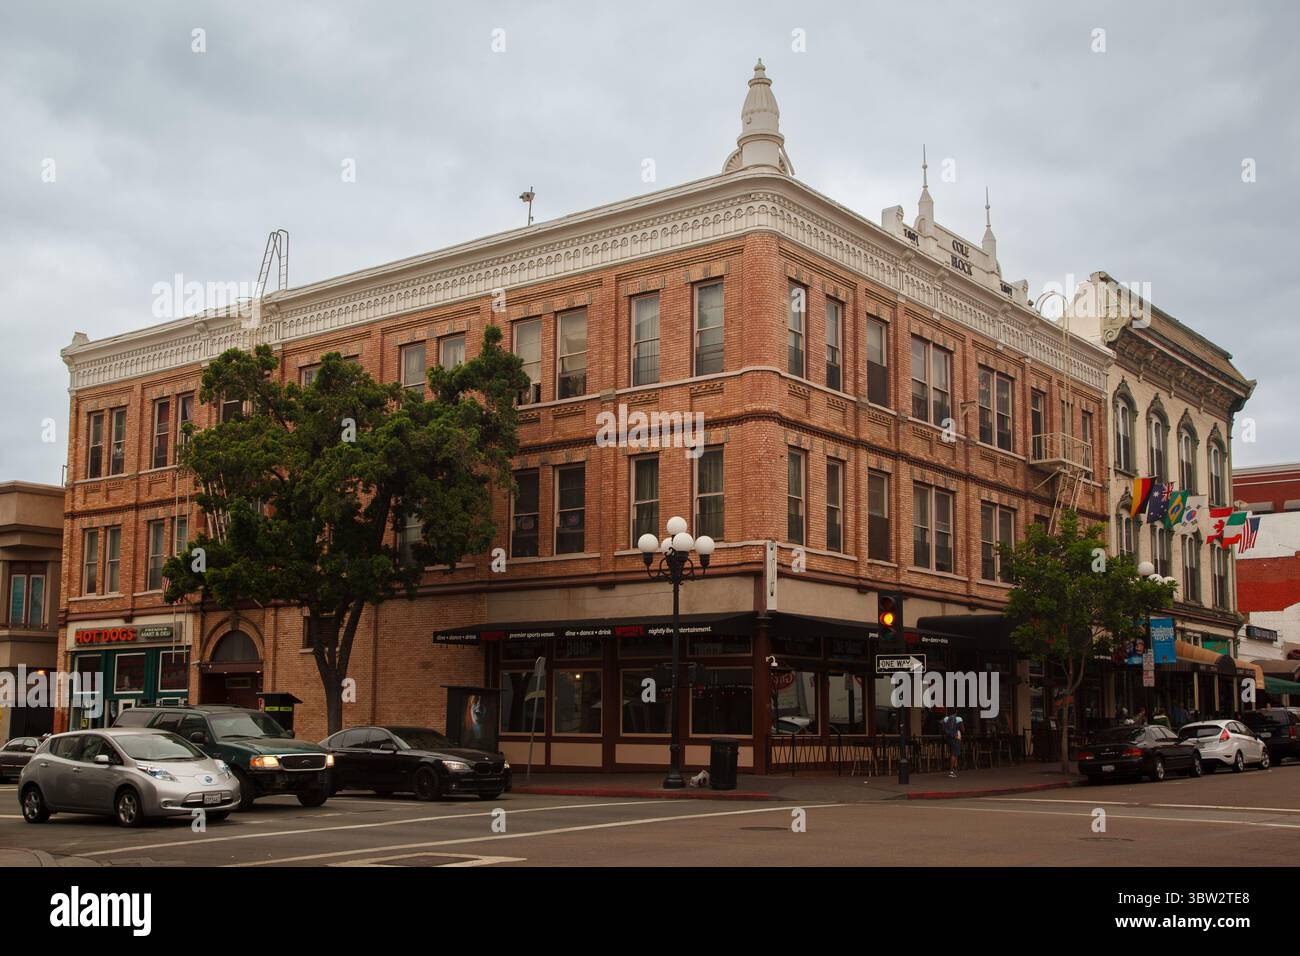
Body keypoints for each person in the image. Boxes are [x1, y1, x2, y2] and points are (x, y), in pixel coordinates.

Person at [941, 709, 964, 778]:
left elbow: (943, 729)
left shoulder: (946, 719)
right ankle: (951, 771)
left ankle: (955, 767)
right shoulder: (959, 719)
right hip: (956, 737)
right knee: (954, 754)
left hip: (948, 738)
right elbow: (963, 729)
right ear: (956, 712)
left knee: (952, 753)